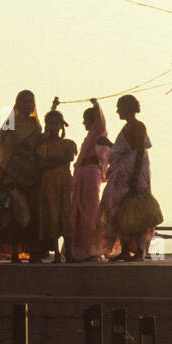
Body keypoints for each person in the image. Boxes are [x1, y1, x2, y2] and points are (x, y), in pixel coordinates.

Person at [95, 94, 156, 261]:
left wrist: (135, 176)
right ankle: (125, 249)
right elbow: (122, 151)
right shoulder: (127, 128)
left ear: (127, 108)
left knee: (136, 211)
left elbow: (138, 152)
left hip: (132, 173)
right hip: (122, 173)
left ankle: (138, 252)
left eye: (119, 107)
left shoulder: (138, 126)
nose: (117, 111)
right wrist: (108, 144)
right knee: (118, 209)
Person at [0, 90, 43, 262]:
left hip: (33, 174)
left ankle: (34, 252)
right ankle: (13, 253)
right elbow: (2, 149)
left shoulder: (36, 124)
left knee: (33, 215)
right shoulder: (10, 123)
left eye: (31, 102)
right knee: (13, 216)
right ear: (18, 103)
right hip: (13, 174)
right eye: (25, 101)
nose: (29, 105)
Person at [66, 99, 113, 261]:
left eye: (86, 119)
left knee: (90, 211)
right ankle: (78, 250)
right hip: (81, 174)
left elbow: (101, 122)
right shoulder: (90, 136)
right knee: (76, 212)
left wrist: (96, 105)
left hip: (91, 174)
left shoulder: (98, 132)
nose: (83, 122)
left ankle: (91, 249)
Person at [33, 100, 79, 261]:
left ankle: (69, 253)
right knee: (51, 215)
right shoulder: (42, 144)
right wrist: (58, 161)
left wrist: (50, 162)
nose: (52, 127)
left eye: (55, 123)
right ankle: (57, 254)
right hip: (49, 183)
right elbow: (40, 164)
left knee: (66, 214)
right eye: (50, 123)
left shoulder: (68, 143)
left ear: (61, 126)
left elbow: (69, 158)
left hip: (65, 182)